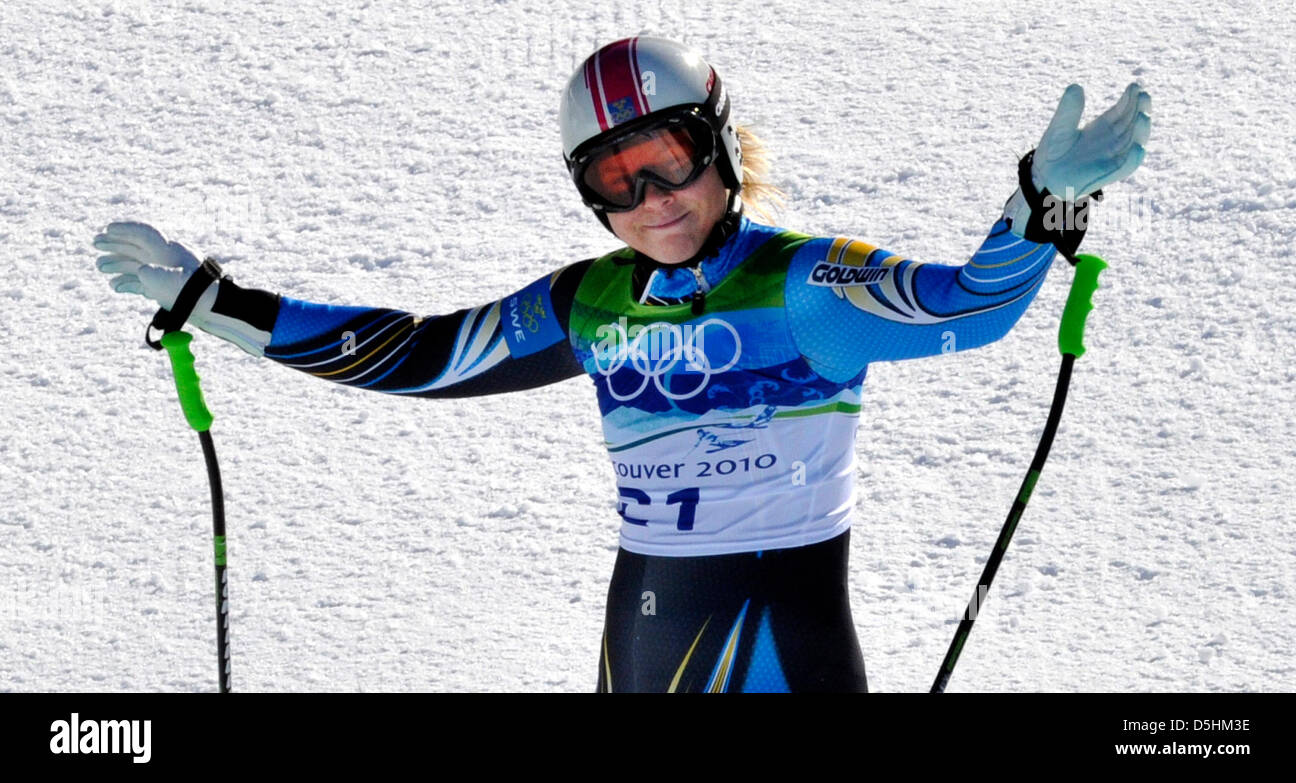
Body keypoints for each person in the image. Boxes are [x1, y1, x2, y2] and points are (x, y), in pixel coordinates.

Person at [95, 36, 1151, 692]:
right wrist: (217, 305)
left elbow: (968, 306)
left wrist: (1041, 203)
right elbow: (419, 354)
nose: (652, 200)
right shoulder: (589, 301)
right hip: (640, 621)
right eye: (615, 178)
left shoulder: (807, 285)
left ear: (722, 149)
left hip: (784, 625)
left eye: (671, 159)